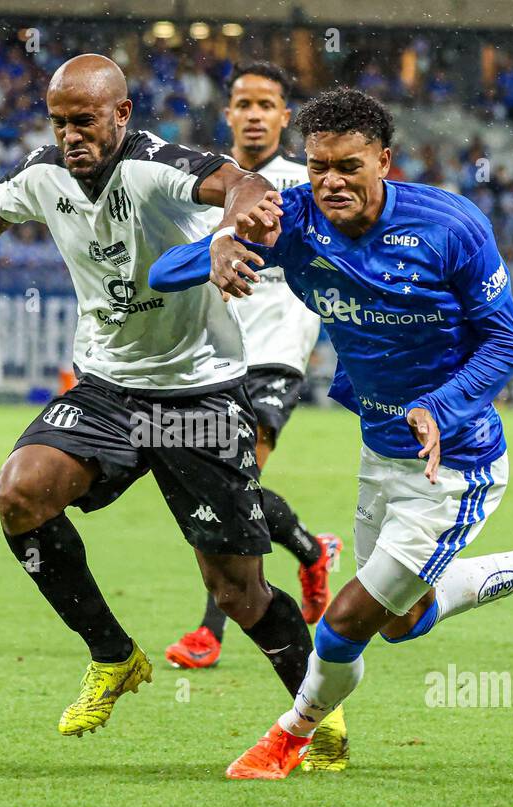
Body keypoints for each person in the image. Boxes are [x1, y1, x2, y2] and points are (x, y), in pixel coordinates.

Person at [148, 88, 513, 779]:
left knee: (345, 624)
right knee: (402, 620)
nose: (331, 181)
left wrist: (440, 409)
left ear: (383, 161)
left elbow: (505, 343)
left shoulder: (452, 224)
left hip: (454, 466)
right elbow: (160, 272)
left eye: (349, 167)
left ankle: (292, 735)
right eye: (319, 165)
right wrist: (213, 248)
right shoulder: (292, 220)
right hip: (380, 453)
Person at [0, 55, 345, 768]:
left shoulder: (155, 167)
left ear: (121, 114)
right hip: (108, 390)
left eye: (84, 120)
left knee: (236, 591)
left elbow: (242, 182)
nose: (71, 135)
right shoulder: (44, 174)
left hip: (200, 395)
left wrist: (235, 225)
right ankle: (113, 655)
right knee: (20, 494)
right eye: (59, 122)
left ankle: (317, 714)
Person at [162, 62, 343, 708]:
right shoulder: (209, 186)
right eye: (245, 103)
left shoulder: (306, 184)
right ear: (230, 114)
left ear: (285, 116)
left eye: (269, 103)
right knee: (228, 488)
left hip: (276, 358)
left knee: (233, 485)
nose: (257, 114)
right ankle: (309, 547)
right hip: (211, 361)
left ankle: (211, 631)